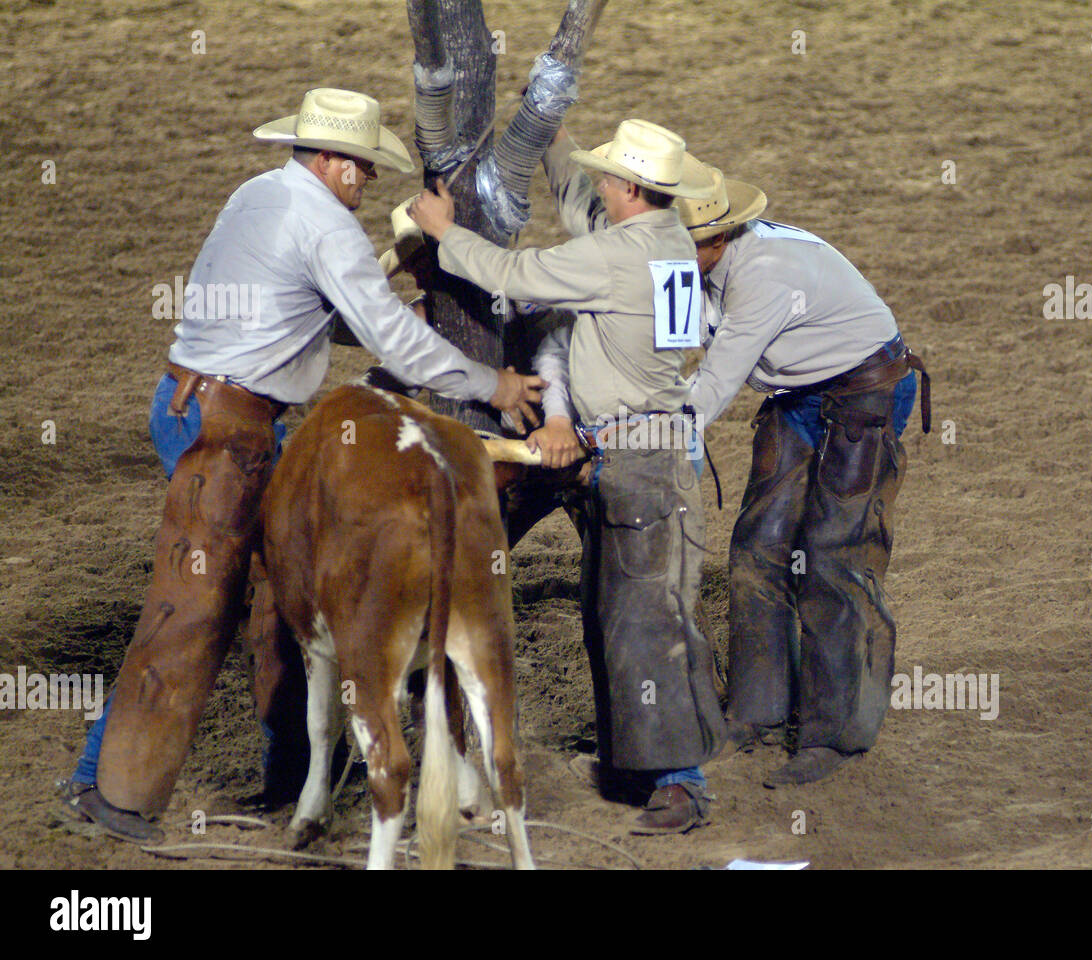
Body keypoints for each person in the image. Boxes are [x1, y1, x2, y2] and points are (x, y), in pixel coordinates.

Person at [60, 87, 546, 842]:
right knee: (198, 603)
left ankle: (293, 770)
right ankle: (111, 788)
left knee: (277, 583)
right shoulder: (326, 227)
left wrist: (381, 322)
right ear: (329, 160)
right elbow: (391, 338)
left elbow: (281, 309)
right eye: (360, 168)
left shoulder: (261, 194)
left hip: (202, 404)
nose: (367, 182)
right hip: (227, 426)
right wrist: (494, 383)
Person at [409, 118, 727, 834]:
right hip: (656, 452)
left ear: (631, 189)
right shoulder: (671, 240)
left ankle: (682, 784)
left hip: (637, 456)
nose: (603, 187)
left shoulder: (617, 256)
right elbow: (583, 208)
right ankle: (638, 769)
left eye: (610, 178)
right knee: (627, 611)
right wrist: (551, 135)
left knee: (644, 619)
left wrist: (445, 232)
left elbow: (513, 274)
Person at [677, 161, 930, 786]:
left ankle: (835, 735)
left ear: (712, 241)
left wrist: (652, 437)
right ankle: (756, 713)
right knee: (758, 545)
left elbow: (714, 383)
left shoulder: (762, 276)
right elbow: (670, 349)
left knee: (834, 556)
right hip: (803, 393)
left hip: (862, 395)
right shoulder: (687, 267)